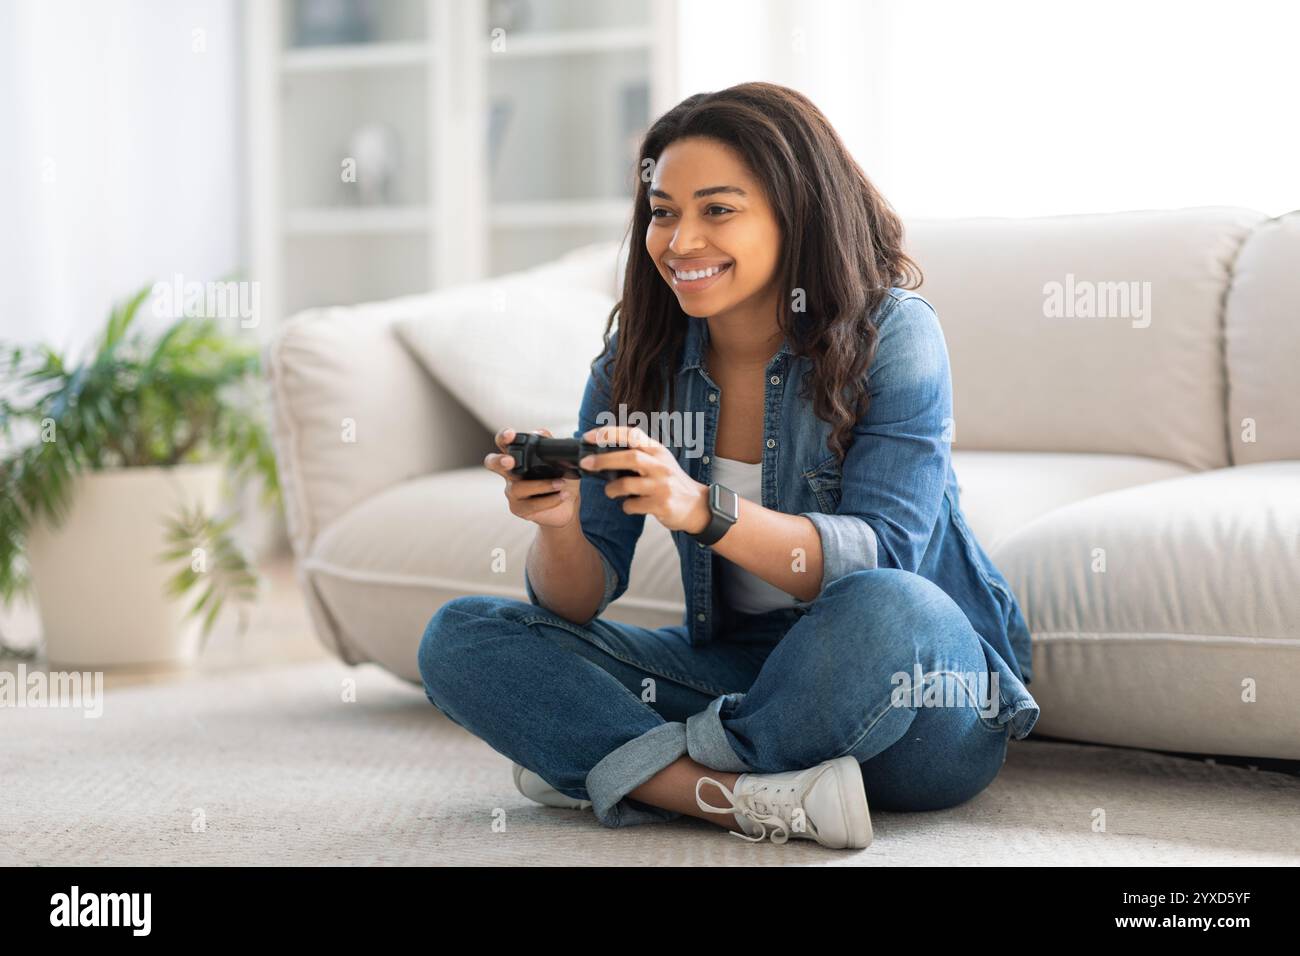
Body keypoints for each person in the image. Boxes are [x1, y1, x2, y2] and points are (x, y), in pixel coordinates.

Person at [419, 81, 1039, 849]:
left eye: (717, 210)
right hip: (740, 673)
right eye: (663, 211)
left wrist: (700, 508)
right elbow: (574, 604)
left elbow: (880, 558)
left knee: (889, 606)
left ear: (795, 211)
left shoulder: (895, 335)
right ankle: (741, 795)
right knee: (465, 635)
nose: (679, 242)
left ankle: (627, 769)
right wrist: (558, 528)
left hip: (916, 705)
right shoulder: (634, 365)